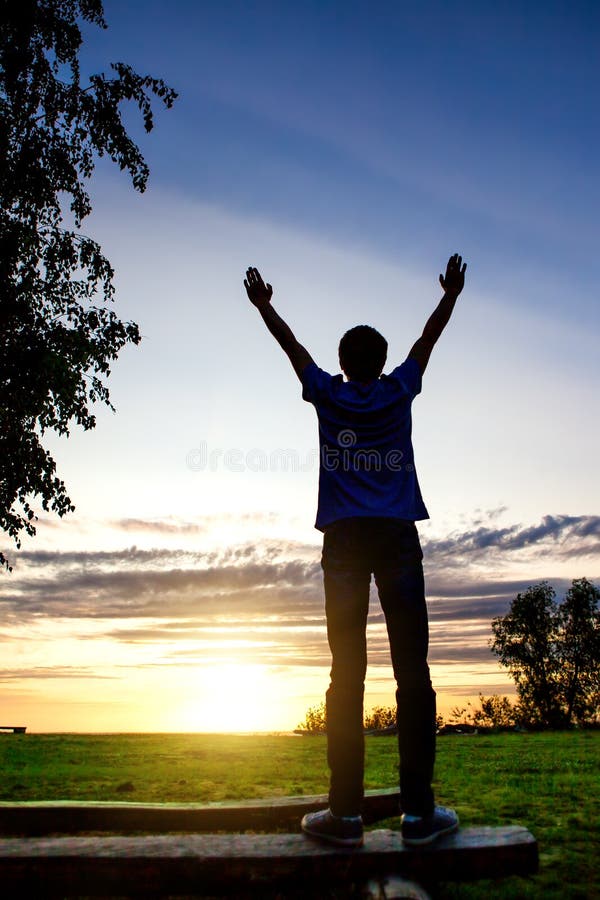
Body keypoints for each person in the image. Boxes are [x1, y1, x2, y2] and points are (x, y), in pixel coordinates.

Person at [244, 254, 467, 848]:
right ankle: (419, 815)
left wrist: (266, 306)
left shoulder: (326, 394)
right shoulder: (399, 389)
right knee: (412, 675)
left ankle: (344, 816)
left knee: (347, 676)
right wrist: (450, 295)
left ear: (343, 365)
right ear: (381, 361)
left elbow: (292, 349)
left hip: (343, 542)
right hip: (396, 539)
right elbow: (427, 340)